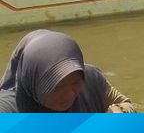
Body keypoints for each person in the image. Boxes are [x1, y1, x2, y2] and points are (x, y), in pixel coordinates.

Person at [0, 30, 135, 113]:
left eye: (76, 83)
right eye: (56, 88)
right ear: (33, 79)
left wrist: (120, 112)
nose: (69, 95)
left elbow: (126, 104)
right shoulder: (9, 108)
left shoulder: (91, 80)